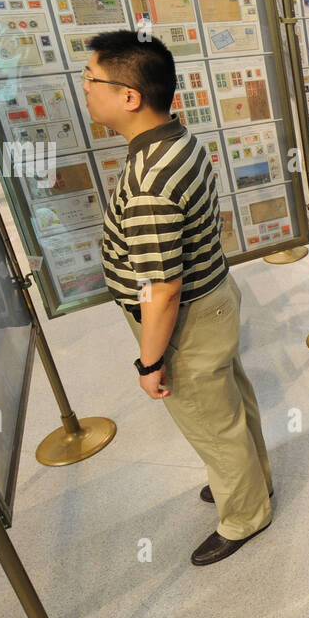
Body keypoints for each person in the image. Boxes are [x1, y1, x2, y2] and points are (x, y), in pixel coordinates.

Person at [86, 30, 272, 567]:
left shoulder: (150, 179)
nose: (86, 89)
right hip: (212, 295)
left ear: (130, 96)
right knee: (231, 404)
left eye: (92, 79)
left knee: (212, 423)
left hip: (187, 318)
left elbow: (161, 288)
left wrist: (149, 360)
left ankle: (245, 514)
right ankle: (248, 481)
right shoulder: (176, 138)